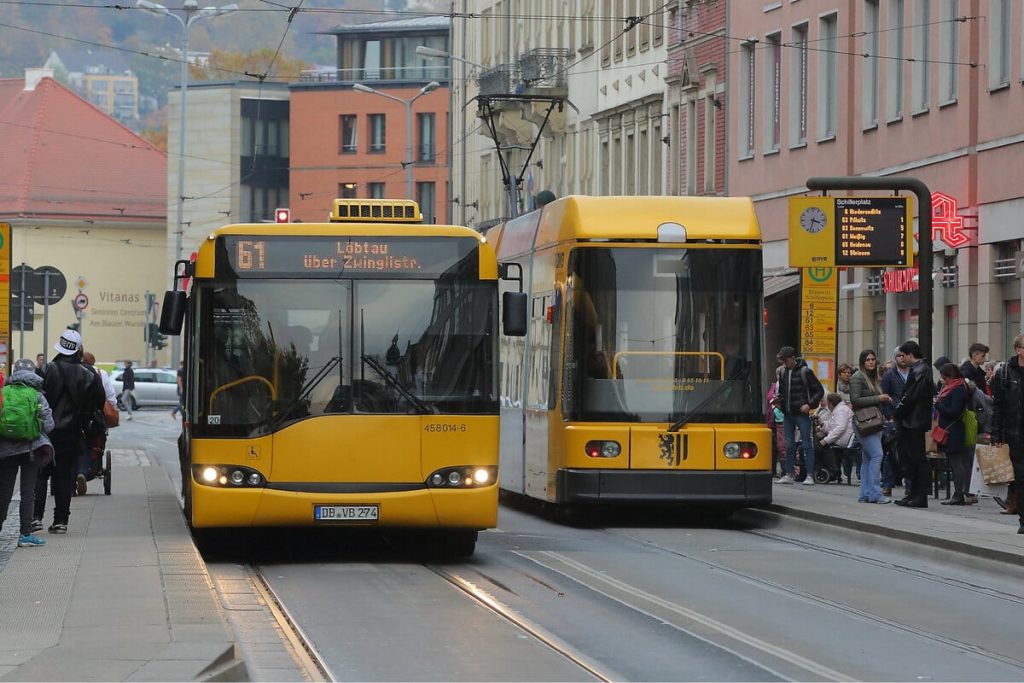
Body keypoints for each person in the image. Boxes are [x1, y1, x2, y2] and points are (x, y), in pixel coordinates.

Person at [34, 328, 105, 534]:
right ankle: (61, 521)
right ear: (78, 349)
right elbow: (99, 402)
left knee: (41, 474)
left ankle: (36, 517)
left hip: (45, 431)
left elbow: (37, 397)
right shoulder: (89, 374)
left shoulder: (47, 369)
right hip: (72, 431)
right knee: (64, 476)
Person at [0, 358, 54, 547]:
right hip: (31, 450)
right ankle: (25, 534)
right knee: (27, 492)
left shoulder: (3, 392)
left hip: (5, 451)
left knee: (4, 492)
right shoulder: (37, 395)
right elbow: (49, 425)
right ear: (33, 374)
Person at [893, 341, 936, 508]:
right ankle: (913, 494)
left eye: (904, 355)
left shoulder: (921, 370)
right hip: (913, 420)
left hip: (914, 421)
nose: (902, 359)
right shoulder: (919, 370)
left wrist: (898, 411)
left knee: (917, 459)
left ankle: (919, 495)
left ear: (911, 355)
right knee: (912, 459)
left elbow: (911, 396)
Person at [774, 346, 825, 485]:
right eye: (782, 360)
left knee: (806, 444)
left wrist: (809, 404)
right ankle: (789, 474)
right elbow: (784, 392)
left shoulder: (805, 372)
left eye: (785, 359)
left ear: (792, 358)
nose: (784, 362)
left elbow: (819, 390)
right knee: (789, 445)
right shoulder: (783, 373)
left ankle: (809, 475)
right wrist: (780, 401)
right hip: (788, 413)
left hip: (801, 414)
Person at [990, 335, 1024, 534]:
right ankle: (1023, 519)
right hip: (1015, 434)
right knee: (1020, 477)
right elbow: (998, 407)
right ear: (1018, 350)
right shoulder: (1005, 373)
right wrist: (996, 435)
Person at [850, 349, 892, 503]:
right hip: (864, 422)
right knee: (877, 455)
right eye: (867, 360)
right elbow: (855, 401)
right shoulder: (857, 378)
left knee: (868, 457)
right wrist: (878, 398)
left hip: (873, 422)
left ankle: (865, 494)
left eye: (873, 359)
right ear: (862, 362)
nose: (871, 362)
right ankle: (875, 493)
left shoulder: (873, 378)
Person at [934, 363, 972, 506]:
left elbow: (953, 412)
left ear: (949, 376)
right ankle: (962, 492)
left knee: (958, 463)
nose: (942, 380)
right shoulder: (954, 388)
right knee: (959, 462)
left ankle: (959, 494)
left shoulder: (957, 390)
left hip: (954, 431)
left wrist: (938, 405)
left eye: (943, 377)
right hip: (952, 430)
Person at [80, 351, 116, 495]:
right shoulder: (100, 374)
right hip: (95, 418)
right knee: (96, 441)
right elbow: (111, 397)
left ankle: (77, 471)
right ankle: (94, 468)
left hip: (75, 417)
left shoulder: (74, 371)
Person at [880, 348, 911, 496]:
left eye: (903, 355)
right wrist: (889, 416)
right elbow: (884, 398)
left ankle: (910, 486)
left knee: (908, 453)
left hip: (910, 417)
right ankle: (887, 484)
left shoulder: (914, 373)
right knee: (892, 452)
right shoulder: (889, 376)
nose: (902, 359)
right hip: (894, 418)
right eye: (899, 356)